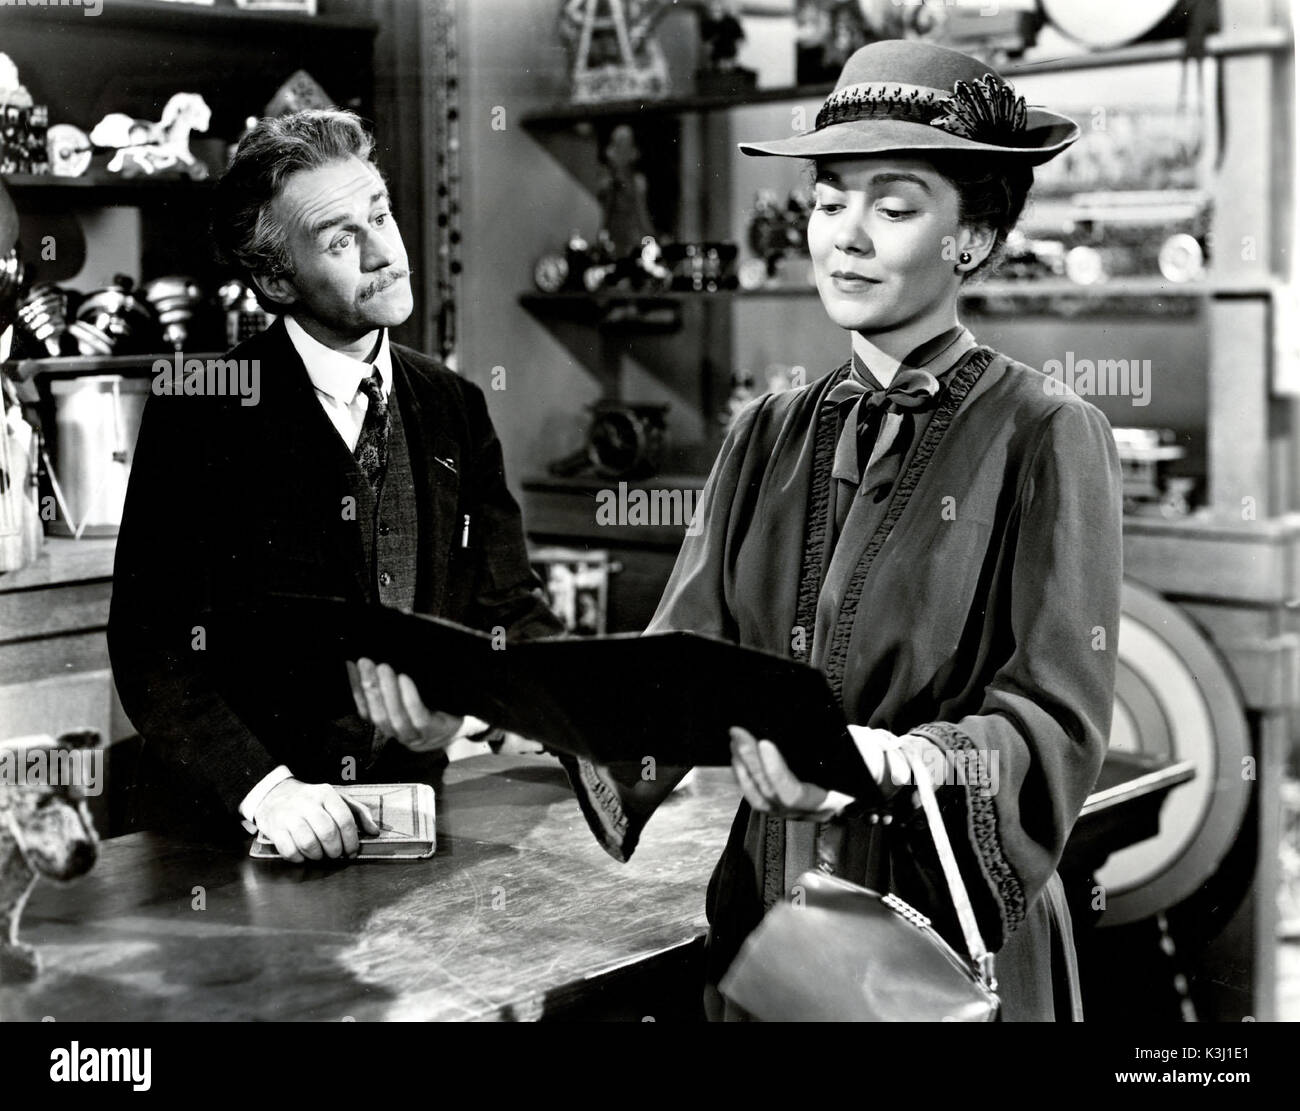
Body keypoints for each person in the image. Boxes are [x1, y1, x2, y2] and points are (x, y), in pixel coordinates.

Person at [559, 40, 1123, 1021]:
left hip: (932, 932)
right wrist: (517, 703)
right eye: (827, 203)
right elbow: (678, 669)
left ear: (973, 237)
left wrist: (890, 765)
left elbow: (1053, 717)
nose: (844, 238)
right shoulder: (766, 432)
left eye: (893, 209)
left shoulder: (1047, 434)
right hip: (767, 917)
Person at [109, 109, 562, 863]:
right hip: (232, 841)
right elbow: (151, 646)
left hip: (408, 829)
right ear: (275, 278)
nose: (386, 253)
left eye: (380, 215)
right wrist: (269, 792)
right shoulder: (199, 410)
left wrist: (595, 734)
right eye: (340, 239)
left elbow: (509, 611)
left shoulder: (452, 405)